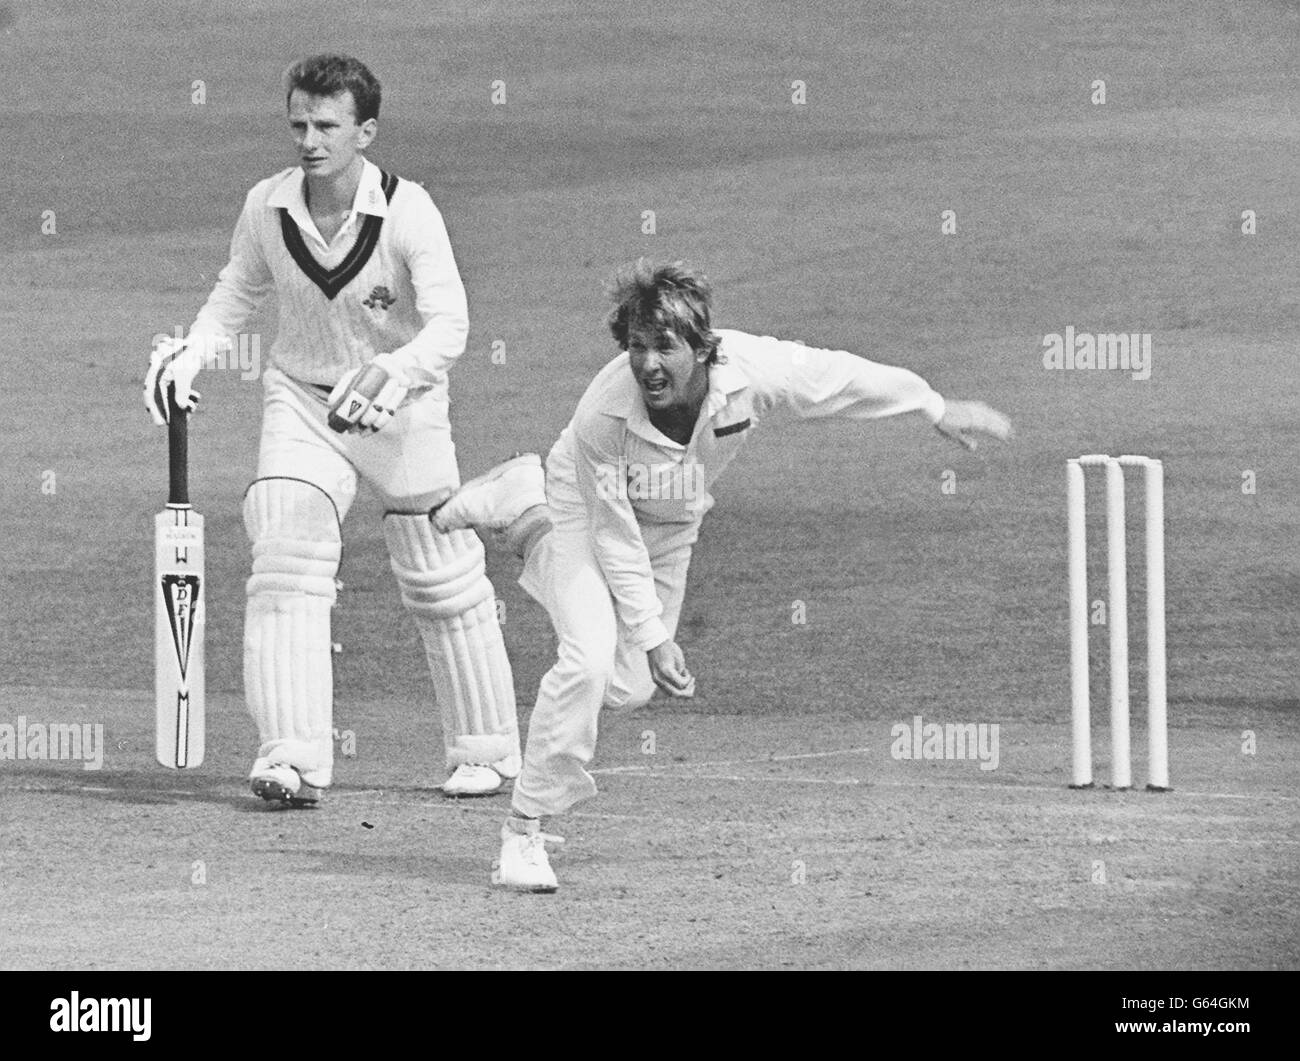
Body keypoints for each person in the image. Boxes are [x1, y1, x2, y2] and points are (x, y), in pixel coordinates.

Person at [431, 258, 1014, 891]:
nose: (648, 364)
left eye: (665, 347)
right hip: (588, 506)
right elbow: (613, 535)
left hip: (675, 521)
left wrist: (930, 404)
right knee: (588, 659)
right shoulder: (604, 411)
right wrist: (654, 635)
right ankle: (524, 832)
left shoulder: (751, 368)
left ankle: (522, 508)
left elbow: (837, 378)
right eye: (636, 347)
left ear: (702, 348)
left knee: (627, 690)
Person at [143, 54, 521, 805]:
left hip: (399, 405)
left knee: (439, 574)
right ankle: (292, 756)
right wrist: (194, 350)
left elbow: (450, 326)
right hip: (303, 401)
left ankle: (487, 751)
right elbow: (236, 292)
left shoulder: (410, 211)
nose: (310, 141)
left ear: (366, 131)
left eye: (326, 126)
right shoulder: (267, 205)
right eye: (299, 125)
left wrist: (396, 373)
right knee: (284, 544)